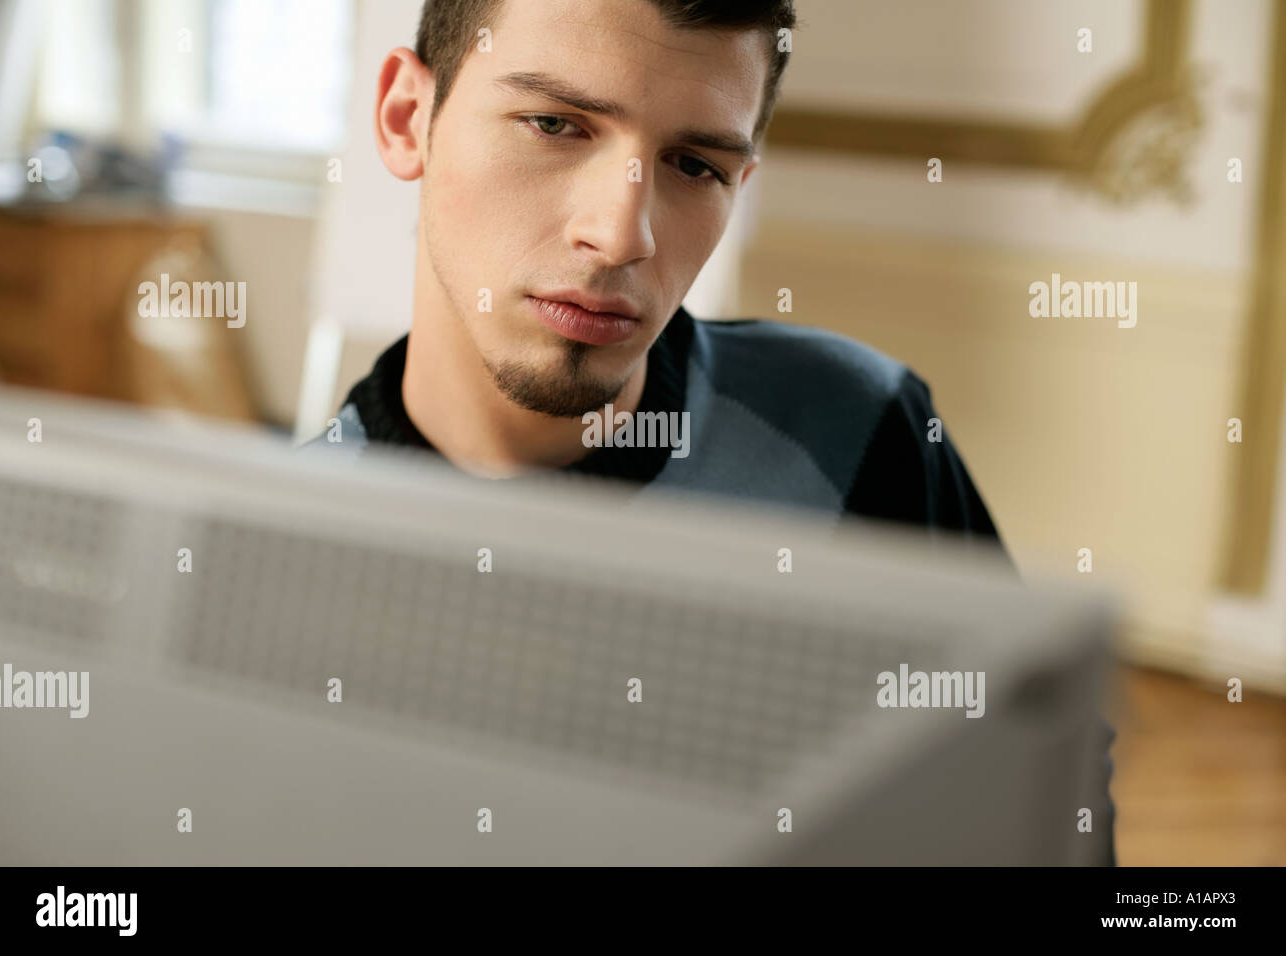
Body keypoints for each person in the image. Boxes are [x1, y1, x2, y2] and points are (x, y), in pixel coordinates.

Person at [301, 0, 1115, 864]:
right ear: (404, 120)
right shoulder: (282, 558)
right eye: (554, 124)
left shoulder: (860, 428)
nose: (621, 234)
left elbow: (1039, 783)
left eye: (694, 165)